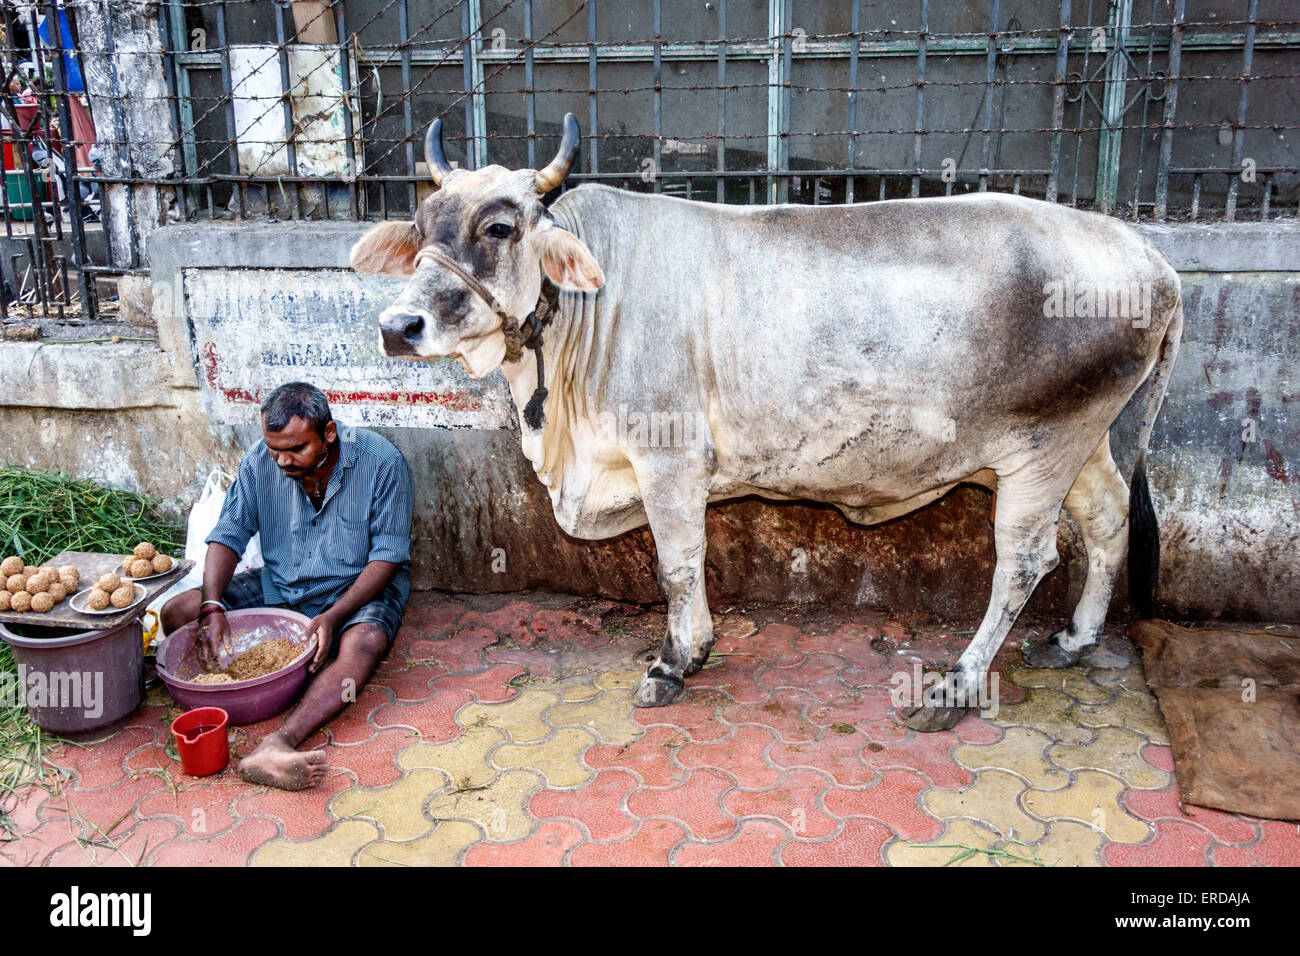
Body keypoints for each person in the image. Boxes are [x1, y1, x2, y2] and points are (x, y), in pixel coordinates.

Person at [162, 382, 414, 790]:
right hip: (282, 585)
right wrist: (212, 607)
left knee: (363, 644)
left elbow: (387, 557)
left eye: (297, 449)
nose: (282, 461)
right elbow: (227, 535)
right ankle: (234, 688)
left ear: (328, 433)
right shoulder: (260, 462)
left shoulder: (382, 461)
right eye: (274, 448)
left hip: (355, 590)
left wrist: (334, 617)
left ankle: (278, 743)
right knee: (179, 612)